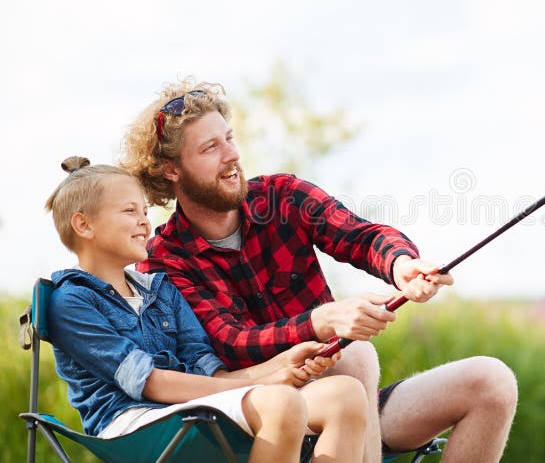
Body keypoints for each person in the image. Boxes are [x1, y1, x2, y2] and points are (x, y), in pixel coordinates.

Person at [122, 79, 518, 463]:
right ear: (171, 170)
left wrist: (402, 265)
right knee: (356, 354)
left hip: (350, 398)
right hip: (265, 417)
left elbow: (360, 237)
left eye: (230, 138)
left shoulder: (283, 195)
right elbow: (232, 343)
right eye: (211, 147)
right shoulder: (162, 261)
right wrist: (323, 321)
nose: (232, 155)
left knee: (492, 381)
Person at [44, 156, 368, 463]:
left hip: (192, 406)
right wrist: (269, 383)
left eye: (145, 210)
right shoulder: (72, 301)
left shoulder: (161, 289)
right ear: (84, 225)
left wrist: (279, 365)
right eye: (130, 211)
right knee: (281, 403)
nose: (145, 221)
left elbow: (211, 373)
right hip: (134, 422)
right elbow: (152, 384)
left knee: (345, 395)